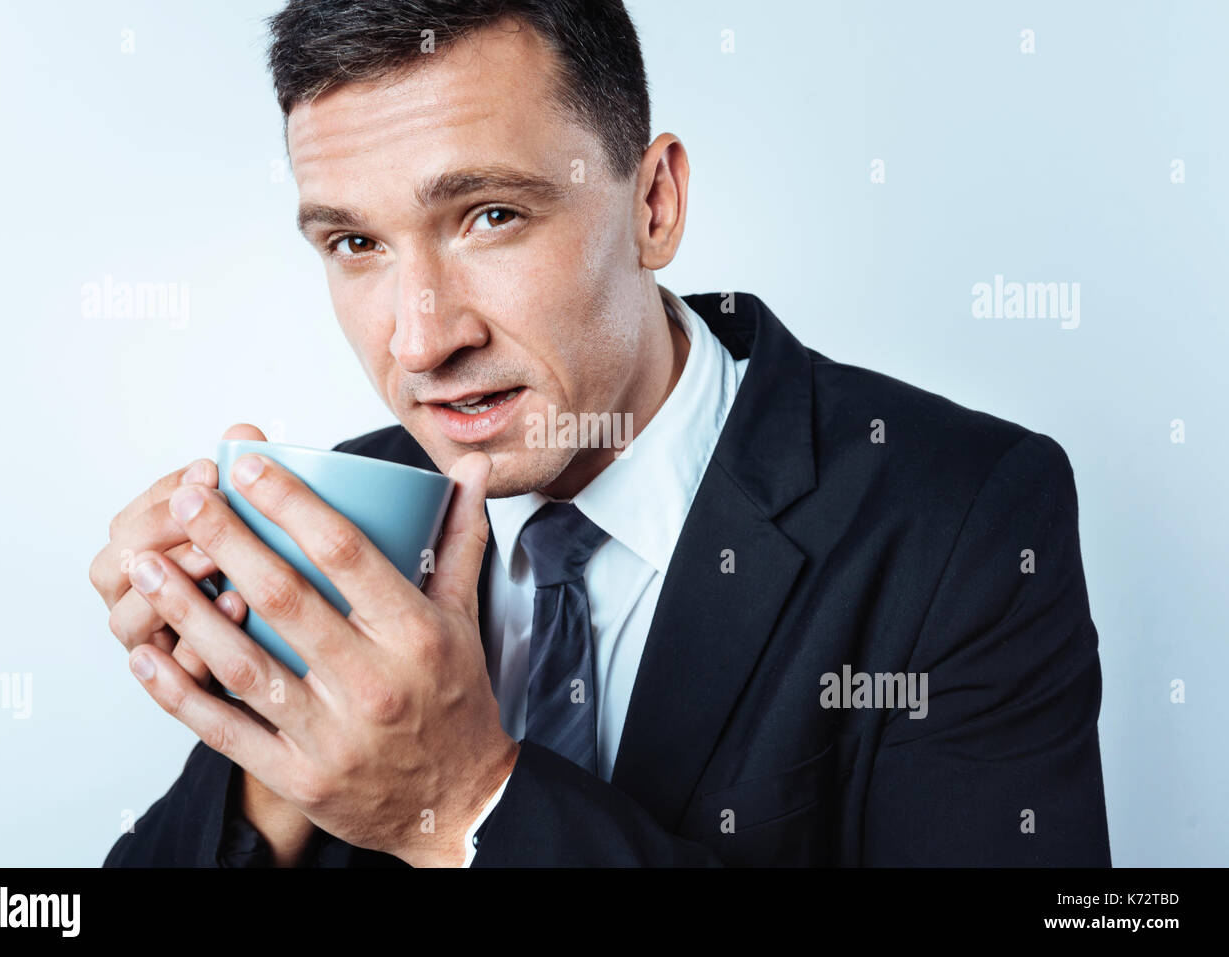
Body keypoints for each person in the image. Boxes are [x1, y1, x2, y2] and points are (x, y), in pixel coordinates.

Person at [90, 0, 1110, 867]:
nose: (421, 338)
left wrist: (469, 806)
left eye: (490, 215)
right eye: (355, 243)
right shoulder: (352, 514)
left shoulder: (959, 515)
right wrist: (276, 735)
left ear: (653, 206)